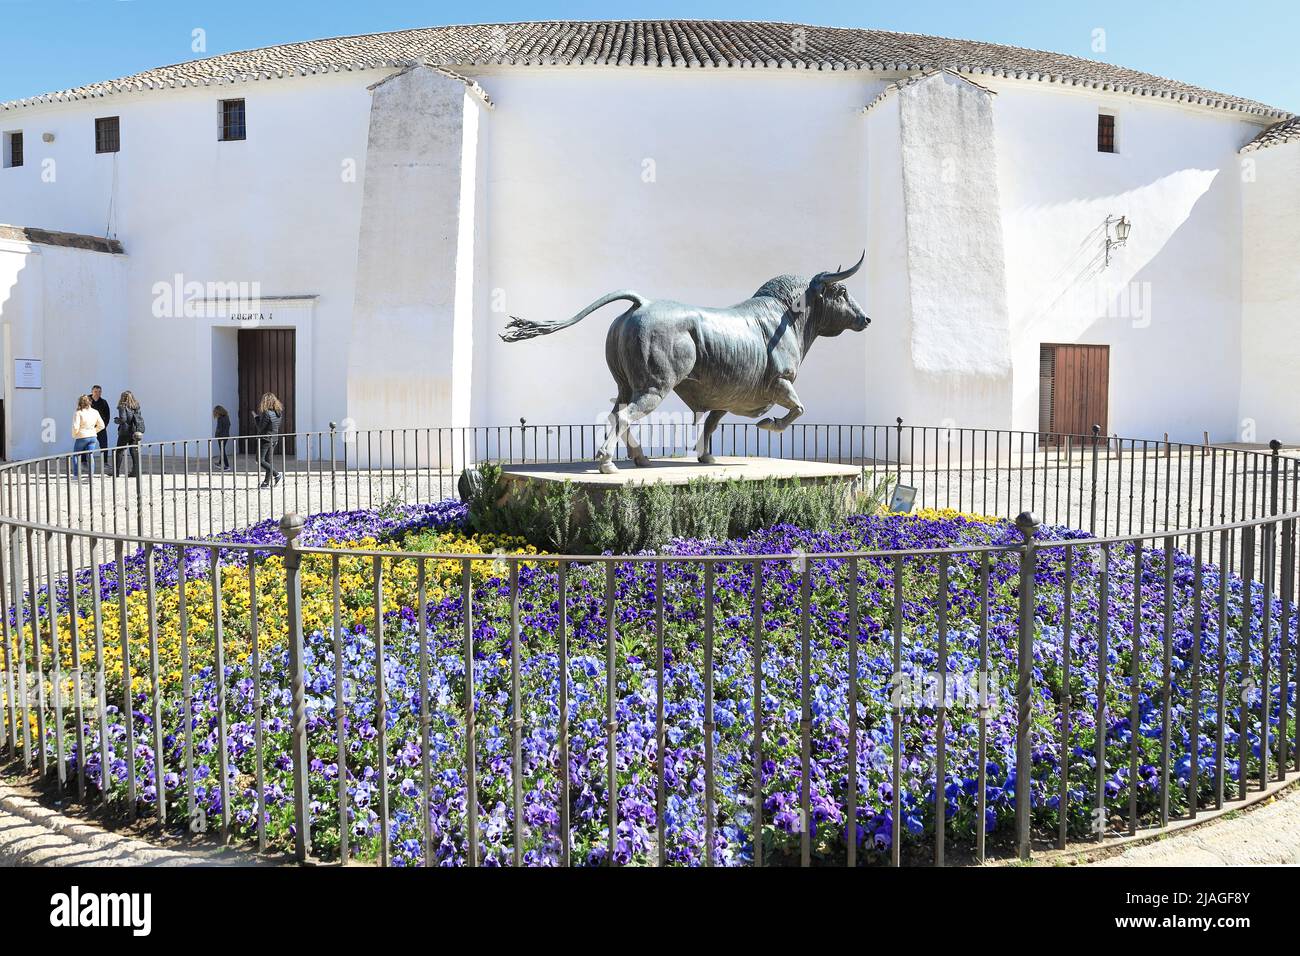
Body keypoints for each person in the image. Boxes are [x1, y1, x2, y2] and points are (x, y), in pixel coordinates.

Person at [70, 395, 104, 478]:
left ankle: (76, 475)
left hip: (82, 436)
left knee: (76, 455)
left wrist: (74, 435)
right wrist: (93, 431)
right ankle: (91, 475)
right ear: (90, 402)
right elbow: (102, 425)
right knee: (90, 455)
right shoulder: (95, 412)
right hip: (92, 436)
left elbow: (75, 427)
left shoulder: (78, 412)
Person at [112, 390, 144, 478]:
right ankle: (135, 471)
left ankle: (116, 472)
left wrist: (116, 420)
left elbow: (123, 419)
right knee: (134, 451)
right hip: (135, 431)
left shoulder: (122, 406)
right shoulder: (136, 406)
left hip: (125, 432)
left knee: (119, 451)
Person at [254, 392, 283, 488]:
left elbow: (260, 428)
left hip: (266, 439)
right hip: (274, 439)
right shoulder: (278, 412)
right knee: (268, 461)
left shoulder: (267, 413)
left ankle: (277, 474)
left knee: (259, 460)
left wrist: (256, 418)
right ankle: (266, 483)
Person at [89, 385, 112, 471]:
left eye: (99, 392)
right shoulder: (87, 400)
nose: (97, 393)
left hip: (101, 428)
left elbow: (107, 415)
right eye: (95, 391)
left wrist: (104, 425)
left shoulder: (103, 402)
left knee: (104, 445)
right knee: (86, 446)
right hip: (89, 428)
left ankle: (105, 462)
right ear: (92, 391)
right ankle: (84, 462)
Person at [213, 405, 232, 470]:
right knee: (222, 450)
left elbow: (219, 428)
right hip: (226, 436)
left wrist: (216, 435)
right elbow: (229, 425)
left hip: (221, 437)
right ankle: (220, 463)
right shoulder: (227, 417)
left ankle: (227, 466)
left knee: (222, 451)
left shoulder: (220, 418)